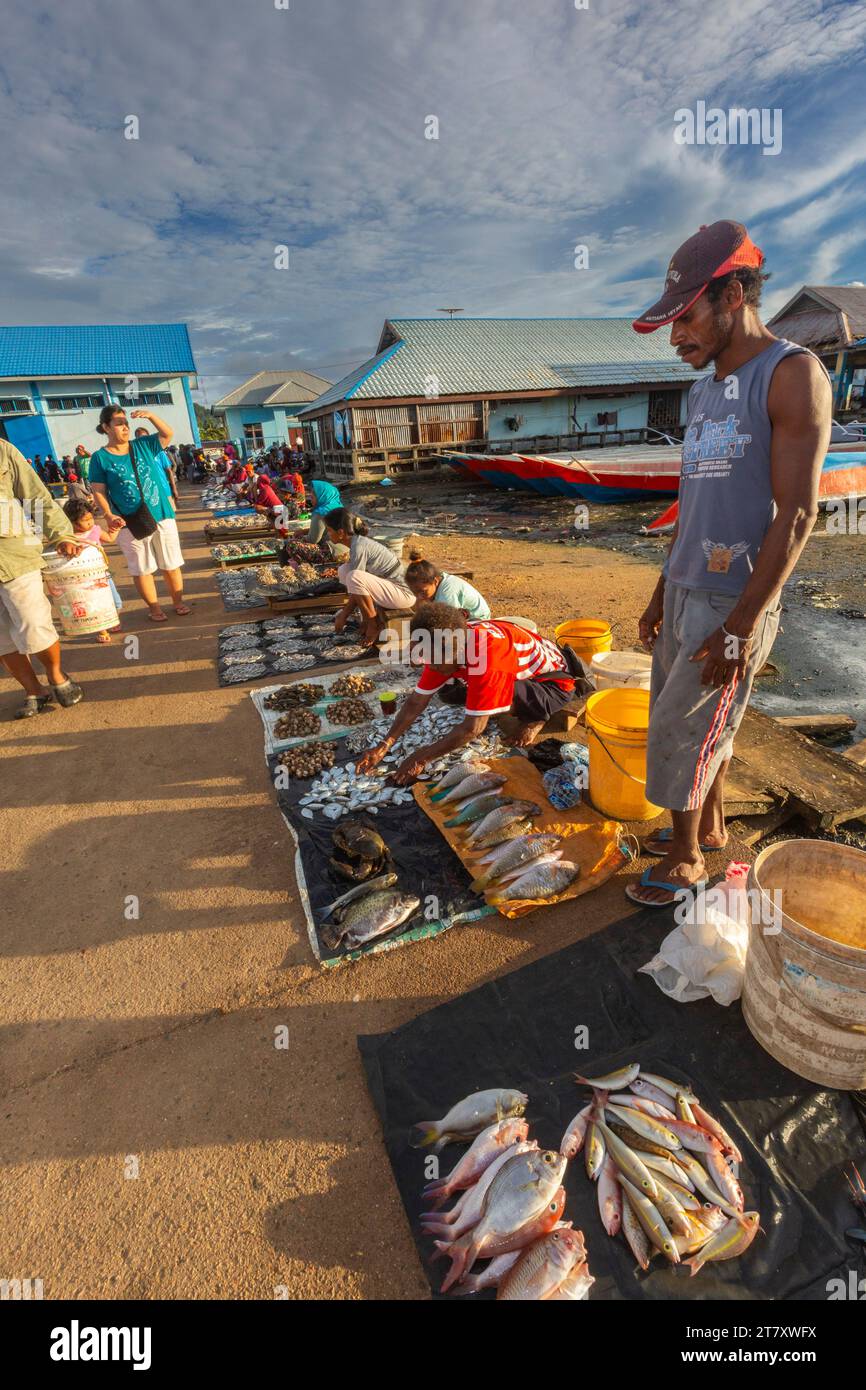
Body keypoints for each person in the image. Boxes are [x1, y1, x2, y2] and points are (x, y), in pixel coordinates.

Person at [627, 220, 832, 908]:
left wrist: (742, 624)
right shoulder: (703, 391)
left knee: (684, 730)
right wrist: (661, 593)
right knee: (687, 720)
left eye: (685, 318)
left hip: (732, 599)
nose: (677, 336)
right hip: (687, 587)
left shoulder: (791, 374)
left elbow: (797, 515)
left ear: (733, 294)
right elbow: (694, 504)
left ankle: (685, 861)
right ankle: (708, 827)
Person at [357, 603, 577, 781]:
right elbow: (416, 701)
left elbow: (473, 729)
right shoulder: (443, 645)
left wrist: (422, 758)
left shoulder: (488, 658)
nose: (429, 666)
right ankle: (497, 704)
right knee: (451, 692)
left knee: (487, 697)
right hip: (511, 671)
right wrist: (384, 745)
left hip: (552, 684)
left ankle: (534, 718)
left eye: (433, 661)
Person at [0, 438, 85, 718]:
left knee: (33, 625)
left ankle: (56, 675)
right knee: (1, 639)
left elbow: (35, 497)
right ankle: (34, 690)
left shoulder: (2, 450)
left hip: (14, 554)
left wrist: (60, 534)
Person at [88, 404, 191, 623]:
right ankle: (154, 608)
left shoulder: (143, 445)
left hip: (161, 513)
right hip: (128, 520)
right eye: (119, 423)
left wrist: (152, 416)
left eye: (126, 423)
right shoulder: (100, 458)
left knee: (171, 562)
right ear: (106, 427)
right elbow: (98, 490)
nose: (125, 427)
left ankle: (178, 602)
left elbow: (167, 434)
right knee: (142, 567)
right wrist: (108, 515)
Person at [323, 508, 414, 644]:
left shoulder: (359, 546)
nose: (328, 534)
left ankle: (372, 623)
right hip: (390, 588)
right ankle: (366, 617)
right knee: (344, 570)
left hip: (404, 594)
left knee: (354, 576)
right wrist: (345, 612)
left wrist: (344, 614)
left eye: (329, 530)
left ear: (341, 532)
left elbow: (357, 582)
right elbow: (356, 588)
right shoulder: (356, 543)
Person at [64, 498, 124, 643]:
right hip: (82, 579)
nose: (90, 522)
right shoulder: (67, 539)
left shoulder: (95, 530)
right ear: (72, 521)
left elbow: (109, 538)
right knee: (92, 604)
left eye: (91, 518)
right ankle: (102, 629)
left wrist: (115, 528)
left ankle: (111, 619)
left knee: (116, 602)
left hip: (102, 574)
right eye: (85, 520)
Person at [405, 557, 491, 621]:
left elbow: (450, 623)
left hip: (478, 620)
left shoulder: (447, 595)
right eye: (414, 592)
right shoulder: (435, 582)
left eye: (423, 591)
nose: (419, 596)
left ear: (435, 581)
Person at [135, 426, 178, 503]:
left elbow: (168, 471)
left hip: (164, 489)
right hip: (148, 493)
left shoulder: (159, 452)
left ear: (149, 437)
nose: (142, 440)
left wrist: (174, 488)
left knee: (169, 514)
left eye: (144, 437)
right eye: (139, 438)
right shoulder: (136, 455)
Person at [307, 476, 342, 543]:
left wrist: (301, 537)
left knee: (292, 545)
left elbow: (313, 540)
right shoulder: (339, 506)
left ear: (321, 497)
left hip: (330, 548)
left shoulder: (321, 513)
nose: (310, 501)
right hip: (344, 549)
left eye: (312, 497)